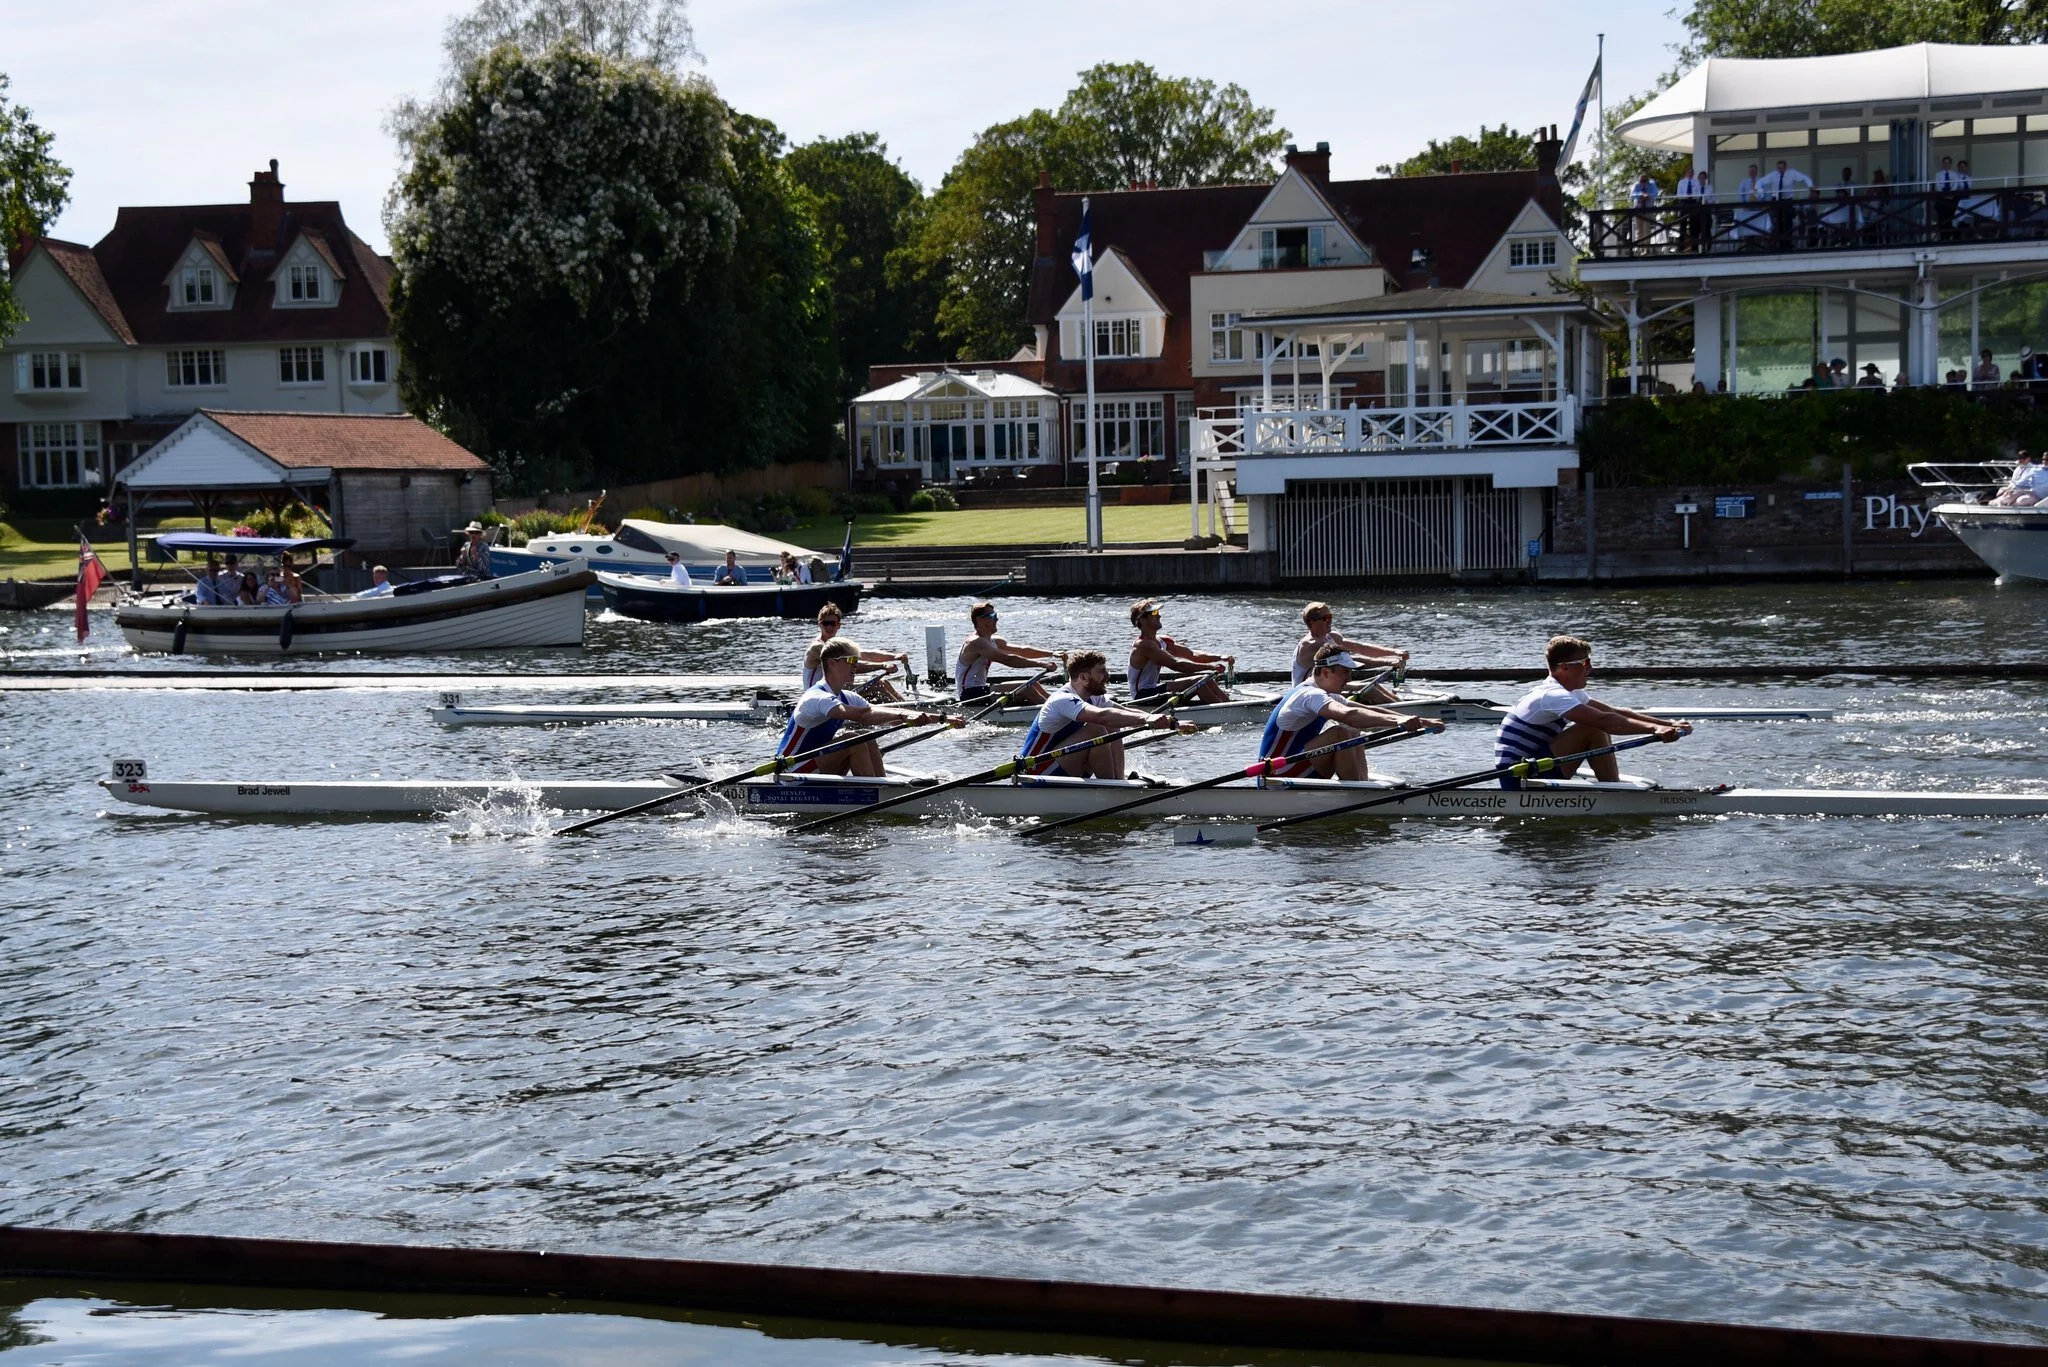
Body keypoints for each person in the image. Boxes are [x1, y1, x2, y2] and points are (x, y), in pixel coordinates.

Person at [1493, 636, 1686, 788]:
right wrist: (1653, 729)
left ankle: (1612, 787)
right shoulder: (1552, 695)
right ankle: (1613, 792)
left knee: (1595, 723)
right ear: (1565, 667)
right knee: (1592, 728)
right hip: (1519, 775)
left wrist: (1668, 725)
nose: (1590, 668)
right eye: (1585, 663)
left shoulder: (1570, 692)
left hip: (1535, 765)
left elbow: (1614, 712)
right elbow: (1606, 721)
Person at [775, 639, 958, 776]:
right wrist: (904, 716)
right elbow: (862, 716)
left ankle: (882, 786)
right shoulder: (817, 697)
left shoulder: (846, 697)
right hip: (792, 770)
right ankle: (874, 791)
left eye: (857, 661)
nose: (856, 666)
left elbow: (883, 713)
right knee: (853, 739)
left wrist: (941, 719)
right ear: (832, 663)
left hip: (815, 764)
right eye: (851, 660)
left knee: (865, 736)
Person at [1257, 644, 1438, 781]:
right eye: (1344, 672)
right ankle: (1358, 793)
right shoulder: (1310, 695)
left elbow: (1359, 709)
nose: (1349, 679)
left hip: (1296, 765)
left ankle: (1361, 784)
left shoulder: (1323, 692)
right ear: (1326, 672)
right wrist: (1397, 722)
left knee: (1351, 732)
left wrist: (1420, 721)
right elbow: (1348, 716)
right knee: (1341, 732)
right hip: (1277, 773)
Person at [1015, 651, 1197, 779]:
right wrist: (1147, 719)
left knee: (1112, 723)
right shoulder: (1062, 700)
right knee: (1097, 727)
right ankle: (1113, 788)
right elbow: (1102, 716)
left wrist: (1173, 723)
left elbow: (1123, 713)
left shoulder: (1095, 697)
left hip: (1061, 766)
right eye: (1101, 671)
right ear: (1084, 677)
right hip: (1037, 772)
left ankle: (1117, 781)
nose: (1107, 676)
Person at [1291, 602, 1406, 699]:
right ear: (1312, 622)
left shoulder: (1332, 636)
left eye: (1331, 617)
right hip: (1307, 695)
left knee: (1374, 686)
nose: (1330, 621)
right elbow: (1351, 660)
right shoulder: (1311, 645)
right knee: (1370, 689)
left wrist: (1394, 652)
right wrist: (1388, 662)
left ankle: (1405, 710)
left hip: (1328, 687)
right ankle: (1404, 715)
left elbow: (1359, 647)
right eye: (1325, 618)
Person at [1127, 599, 1232, 704]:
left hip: (1154, 690)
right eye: (1154, 613)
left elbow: (1192, 655)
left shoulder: (1163, 641)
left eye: (1158, 613)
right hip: (1142, 696)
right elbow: (1177, 665)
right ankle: (1222, 711)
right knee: (1199, 682)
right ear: (1142, 620)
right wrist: (1211, 667)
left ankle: (1228, 705)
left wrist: (1219, 657)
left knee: (1206, 680)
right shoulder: (1143, 645)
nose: (1159, 616)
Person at [955, 601, 1061, 704]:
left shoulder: (994, 641)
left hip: (982, 690)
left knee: (1033, 684)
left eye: (996, 615)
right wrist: (1042, 664)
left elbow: (1022, 650)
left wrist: (1052, 653)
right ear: (979, 620)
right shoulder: (975, 642)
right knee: (1027, 689)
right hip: (969, 695)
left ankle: (1058, 705)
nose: (996, 619)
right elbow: (1008, 659)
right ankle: (1055, 715)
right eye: (992, 616)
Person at [804, 602, 906, 700]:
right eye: (826, 623)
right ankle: (905, 714)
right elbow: (850, 664)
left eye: (832, 623)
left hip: (833, 688)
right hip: (818, 694)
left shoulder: (835, 644)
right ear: (820, 624)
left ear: (838, 625)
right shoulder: (817, 647)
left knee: (884, 683)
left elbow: (864, 654)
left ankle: (910, 710)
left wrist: (895, 656)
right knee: (877, 686)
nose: (829, 627)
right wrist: (882, 666)